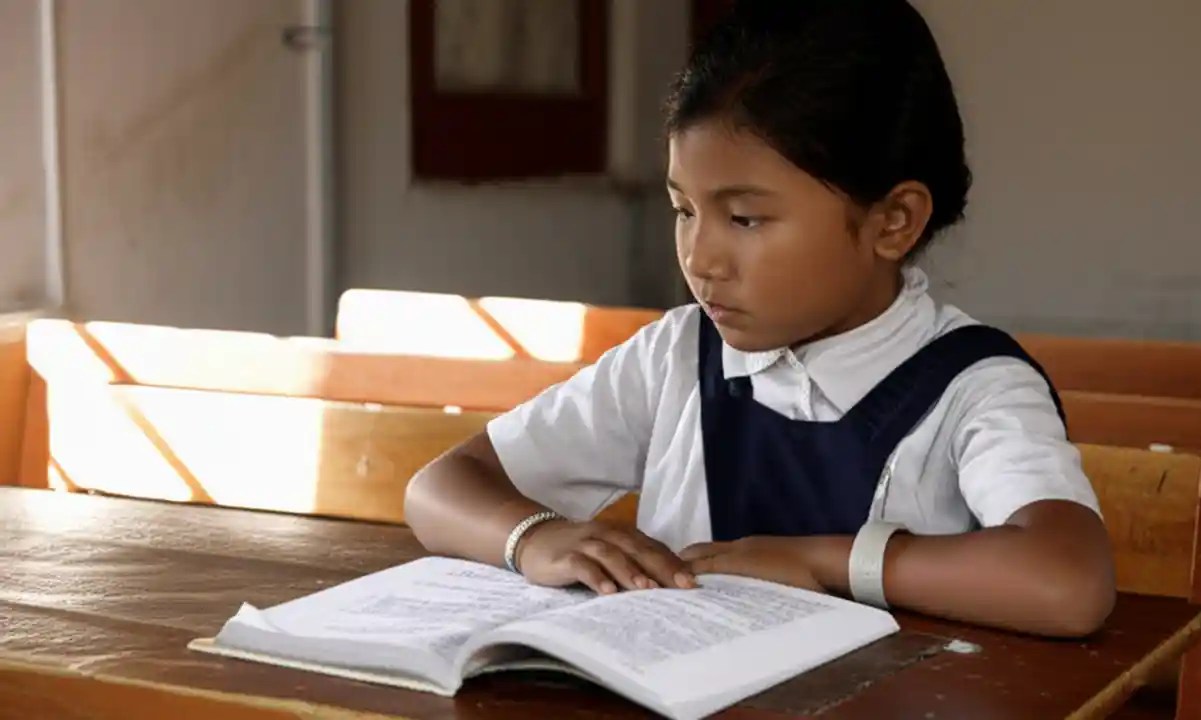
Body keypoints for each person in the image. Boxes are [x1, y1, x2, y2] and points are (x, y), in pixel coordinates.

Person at [405, 0, 1115, 638]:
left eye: (745, 218)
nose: (700, 258)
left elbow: (1067, 582)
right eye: (684, 210)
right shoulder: (675, 357)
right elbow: (439, 488)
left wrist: (821, 562)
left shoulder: (975, 386)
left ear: (893, 221)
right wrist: (532, 537)